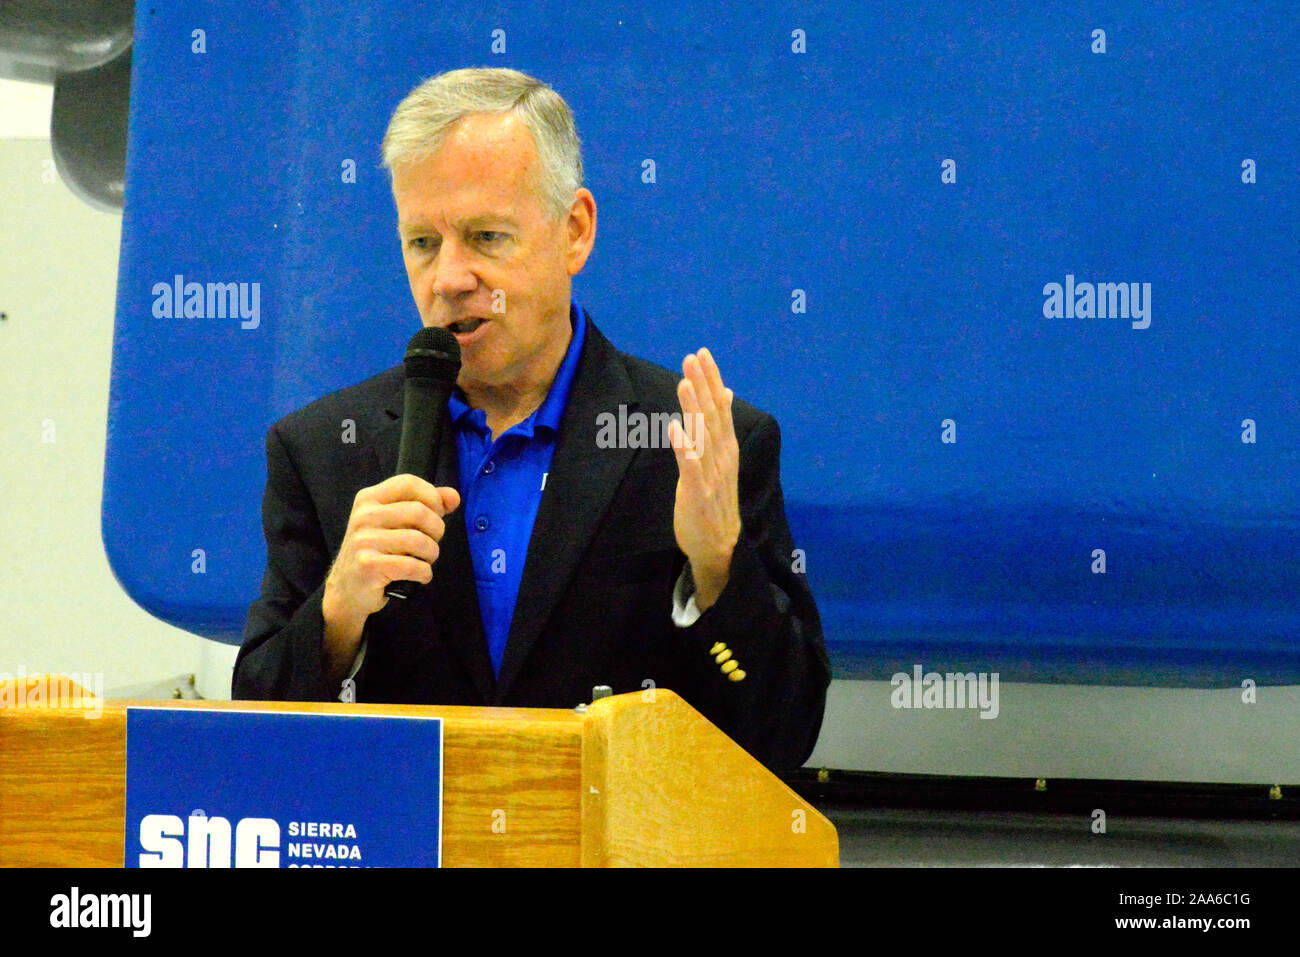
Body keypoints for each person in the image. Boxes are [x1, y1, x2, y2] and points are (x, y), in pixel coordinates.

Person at [233, 67, 829, 772]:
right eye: (422, 242)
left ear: (574, 232)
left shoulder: (688, 444)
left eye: (485, 236)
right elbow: (257, 741)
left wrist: (717, 567)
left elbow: (782, 735)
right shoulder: (323, 450)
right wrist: (338, 615)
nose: (448, 277)